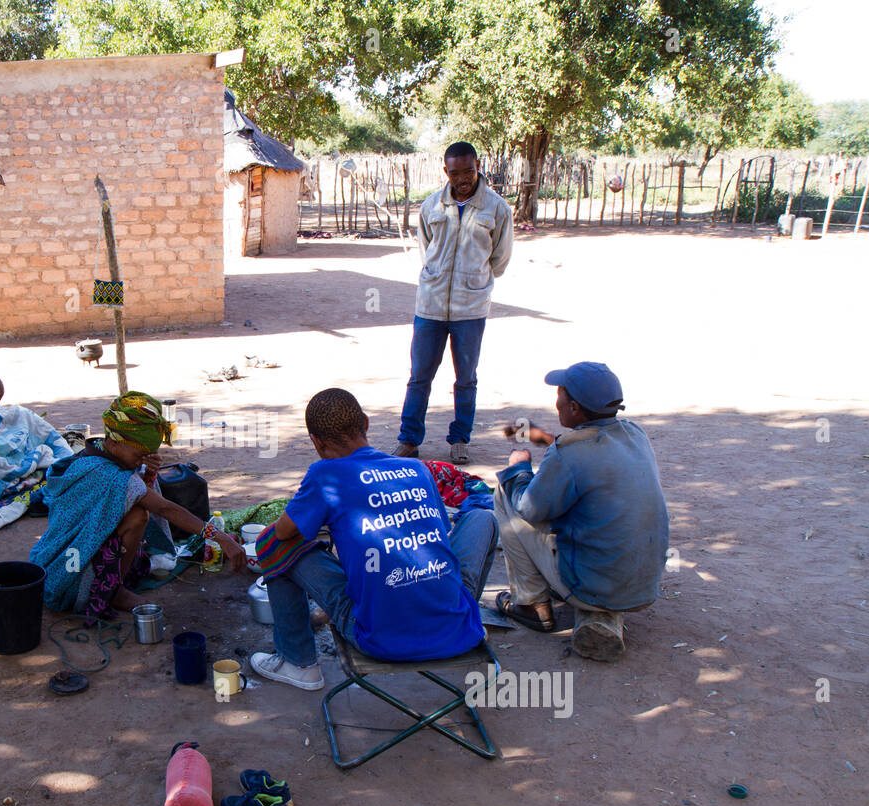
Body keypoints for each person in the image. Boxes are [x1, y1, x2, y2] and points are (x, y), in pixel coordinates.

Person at [250, 388, 499, 691]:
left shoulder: (325, 475)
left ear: (316, 441)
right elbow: (435, 532)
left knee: (271, 543)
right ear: (366, 424)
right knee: (483, 517)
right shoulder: (416, 468)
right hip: (457, 631)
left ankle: (299, 663)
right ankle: (456, 613)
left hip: (380, 641)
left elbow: (283, 532)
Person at [492, 362, 669, 662]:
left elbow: (530, 508)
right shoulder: (635, 434)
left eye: (560, 394)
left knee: (506, 492)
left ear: (574, 407)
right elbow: (594, 460)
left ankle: (531, 604)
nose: (555, 401)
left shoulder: (569, 453)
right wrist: (548, 440)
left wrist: (519, 466)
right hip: (643, 587)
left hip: (593, 585)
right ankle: (599, 606)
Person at [29, 391, 245, 619]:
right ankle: (113, 591)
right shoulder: (105, 473)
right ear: (114, 441)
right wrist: (218, 536)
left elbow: (126, 498)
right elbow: (163, 508)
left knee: (137, 511)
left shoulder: (99, 451)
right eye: (140, 453)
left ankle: (117, 581)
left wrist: (147, 471)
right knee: (138, 516)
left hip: (78, 548)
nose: (144, 458)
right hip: (70, 567)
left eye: (149, 453)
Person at [395, 141, 513, 466]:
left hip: (471, 309)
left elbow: (500, 259)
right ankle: (408, 440)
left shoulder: (497, 208)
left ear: (478, 166)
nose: (463, 178)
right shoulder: (432, 205)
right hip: (429, 307)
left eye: (468, 171)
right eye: (455, 172)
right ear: (445, 171)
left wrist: (472, 281)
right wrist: (438, 277)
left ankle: (460, 439)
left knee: (466, 379)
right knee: (419, 376)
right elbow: (426, 249)